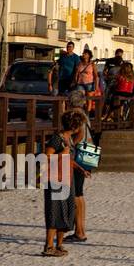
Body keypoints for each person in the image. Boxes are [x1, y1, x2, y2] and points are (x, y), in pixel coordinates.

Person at [42, 111, 81, 257]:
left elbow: (69, 158)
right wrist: (61, 154)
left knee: (66, 211)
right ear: (75, 126)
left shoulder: (69, 138)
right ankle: (49, 245)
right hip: (55, 180)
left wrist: (80, 169)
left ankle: (59, 244)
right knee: (55, 212)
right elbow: (46, 156)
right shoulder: (57, 139)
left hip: (67, 179)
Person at [64, 107, 94, 244]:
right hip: (87, 156)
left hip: (79, 158)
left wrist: (68, 144)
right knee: (79, 195)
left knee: (76, 194)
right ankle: (80, 230)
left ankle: (80, 232)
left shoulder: (76, 116)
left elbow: (80, 135)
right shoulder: (85, 116)